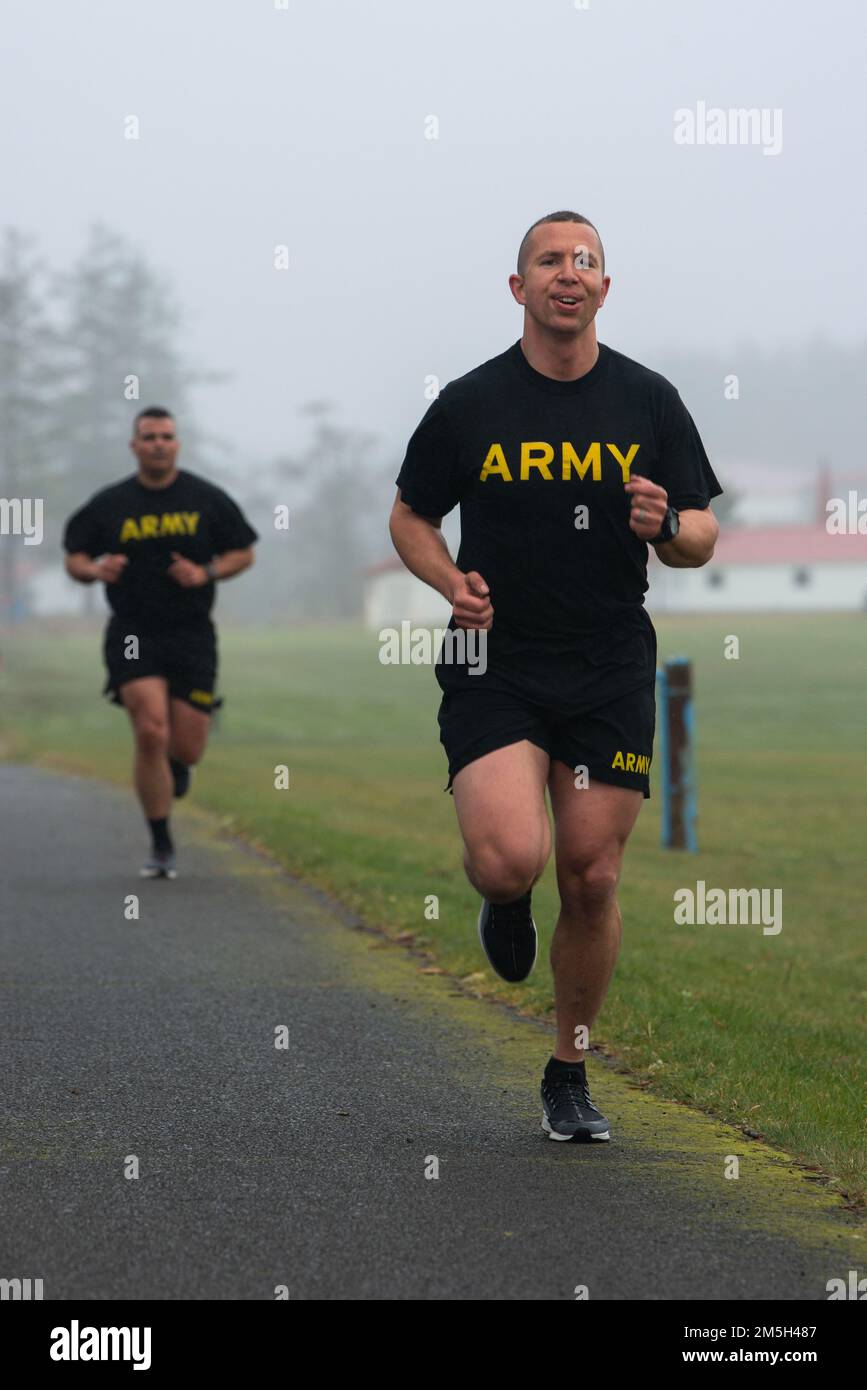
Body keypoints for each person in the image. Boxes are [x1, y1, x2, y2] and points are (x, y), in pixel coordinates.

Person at [389, 211, 722, 1141]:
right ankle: (501, 900)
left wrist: (664, 526)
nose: (566, 274)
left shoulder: (648, 402)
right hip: (490, 655)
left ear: (605, 288)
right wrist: (449, 580)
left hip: (607, 660)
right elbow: (409, 516)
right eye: (548, 260)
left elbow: (700, 534)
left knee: (590, 873)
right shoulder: (470, 403)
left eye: (585, 262)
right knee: (511, 858)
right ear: (518, 287)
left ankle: (567, 1070)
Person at [63, 406, 258, 879]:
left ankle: (177, 764)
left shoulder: (205, 498)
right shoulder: (110, 504)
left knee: (186, 748)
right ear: (134, 445)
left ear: (177, 444)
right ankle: (161, 843)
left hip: (192, 633)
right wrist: (95, 570)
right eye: (148, 436)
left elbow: (243, 552)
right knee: (150, 730)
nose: (157, 444)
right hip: (132, 631)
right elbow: (75, 556)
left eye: (166, 436)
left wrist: (205, 572)